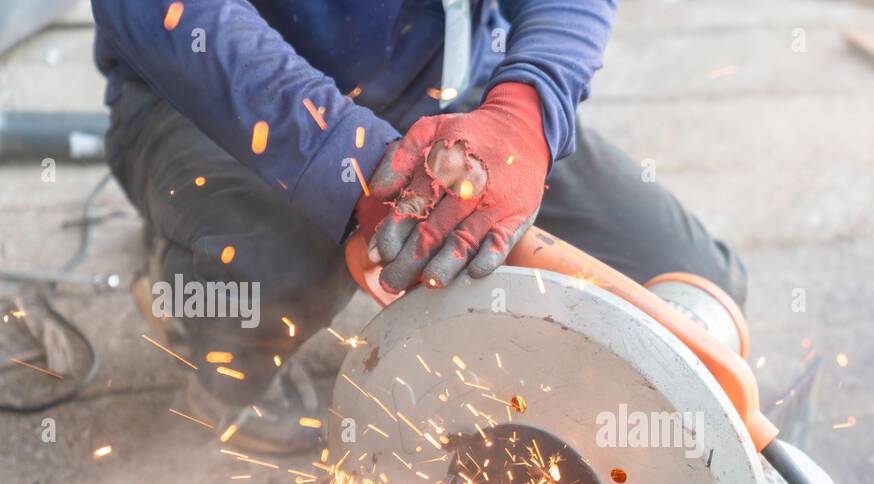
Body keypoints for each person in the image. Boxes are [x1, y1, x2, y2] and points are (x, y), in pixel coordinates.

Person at [91, 0, 746, 452]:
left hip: (448, 89)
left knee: (683, 287)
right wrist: (352, 166)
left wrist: (525, 109)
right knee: (276, 260)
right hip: (213, 100)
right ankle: (204, 320)